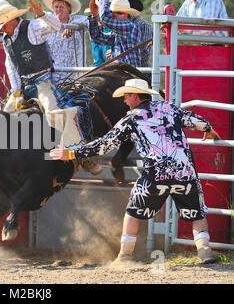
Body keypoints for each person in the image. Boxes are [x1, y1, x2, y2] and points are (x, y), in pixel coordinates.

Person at [50, 78, 221, 266]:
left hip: (155, 173)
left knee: (133, 212)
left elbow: (104, 144)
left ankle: (124, 256)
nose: (124, 100)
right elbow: (196, 120)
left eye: (126, 96)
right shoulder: (169, 108)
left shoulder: (130, 120)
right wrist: (209, 129)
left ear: (134, 96)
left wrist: (72, 153)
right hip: (184, 172)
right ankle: (205, 251)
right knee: (197, 213)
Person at [0, 0, 102, 174]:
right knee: (3, 118)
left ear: (10, 20)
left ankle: (81, 155)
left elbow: (56, 26)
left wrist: (41, 14)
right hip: (25, 84)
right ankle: (0, 161)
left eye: (2, 24)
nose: (1, 28)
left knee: (55, 114)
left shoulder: (32, 28)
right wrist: (16, 92)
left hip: (43, 82)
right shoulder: (6, 38)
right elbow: (11, 66)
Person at [88, 0, 143, 67]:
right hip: (121, 73)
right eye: (111, 13)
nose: (112, 16)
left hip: (129, 74)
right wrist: (94, 16)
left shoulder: (130, 27)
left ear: (125, 14)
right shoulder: (119, 32)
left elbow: (106, 18)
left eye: (116, 13)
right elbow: (96, 38)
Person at [43, 0, 89, 82]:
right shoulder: (48, 26)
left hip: (77, 78)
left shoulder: (78, 20)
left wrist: (73, 25)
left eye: (61, 7)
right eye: (56, 7)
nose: (58, 10)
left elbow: (90, 22)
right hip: (55, 78)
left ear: (69, 8)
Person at [111, 0, 152, 67]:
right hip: (119, 71)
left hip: (141, 72)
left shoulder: (143, 25)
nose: (113, 15)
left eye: (118, 12)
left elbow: (145, 54)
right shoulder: (116, 26)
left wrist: (119, 53)